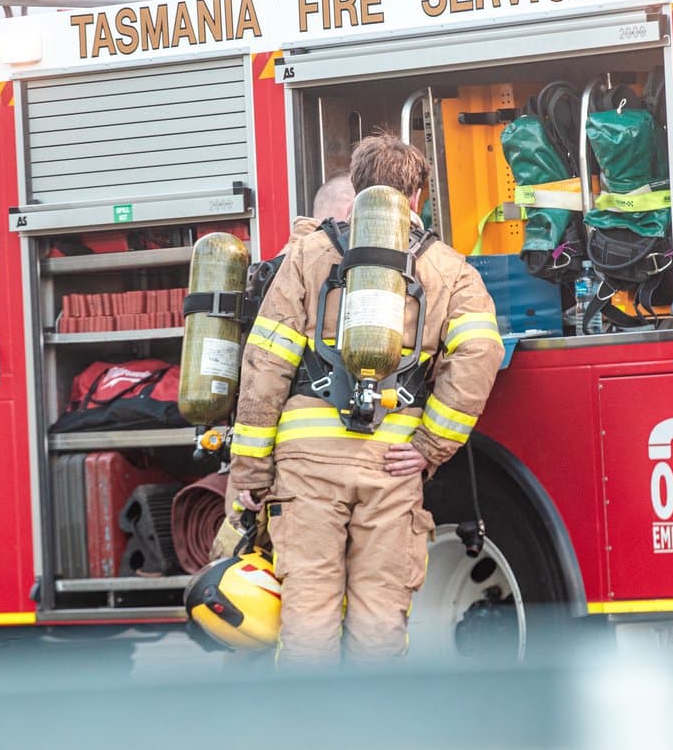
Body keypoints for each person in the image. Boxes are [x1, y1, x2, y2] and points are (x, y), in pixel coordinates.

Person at [227, 133, 505, 665]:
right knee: (379, 621)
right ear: (418, 197)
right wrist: (430, 446)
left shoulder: (307, 254)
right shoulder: (450, 269)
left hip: (306, 468)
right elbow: (479, 354)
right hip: (392, 463)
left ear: (355, 194)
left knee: (308, 618)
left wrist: (250, 472)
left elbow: (266, 364)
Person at [209, 173, 356, 562]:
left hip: (265, 462)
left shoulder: (273, 269)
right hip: (280, 467)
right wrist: (253, 477)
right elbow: (264, 377)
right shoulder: (309, 270)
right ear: (349, 212)